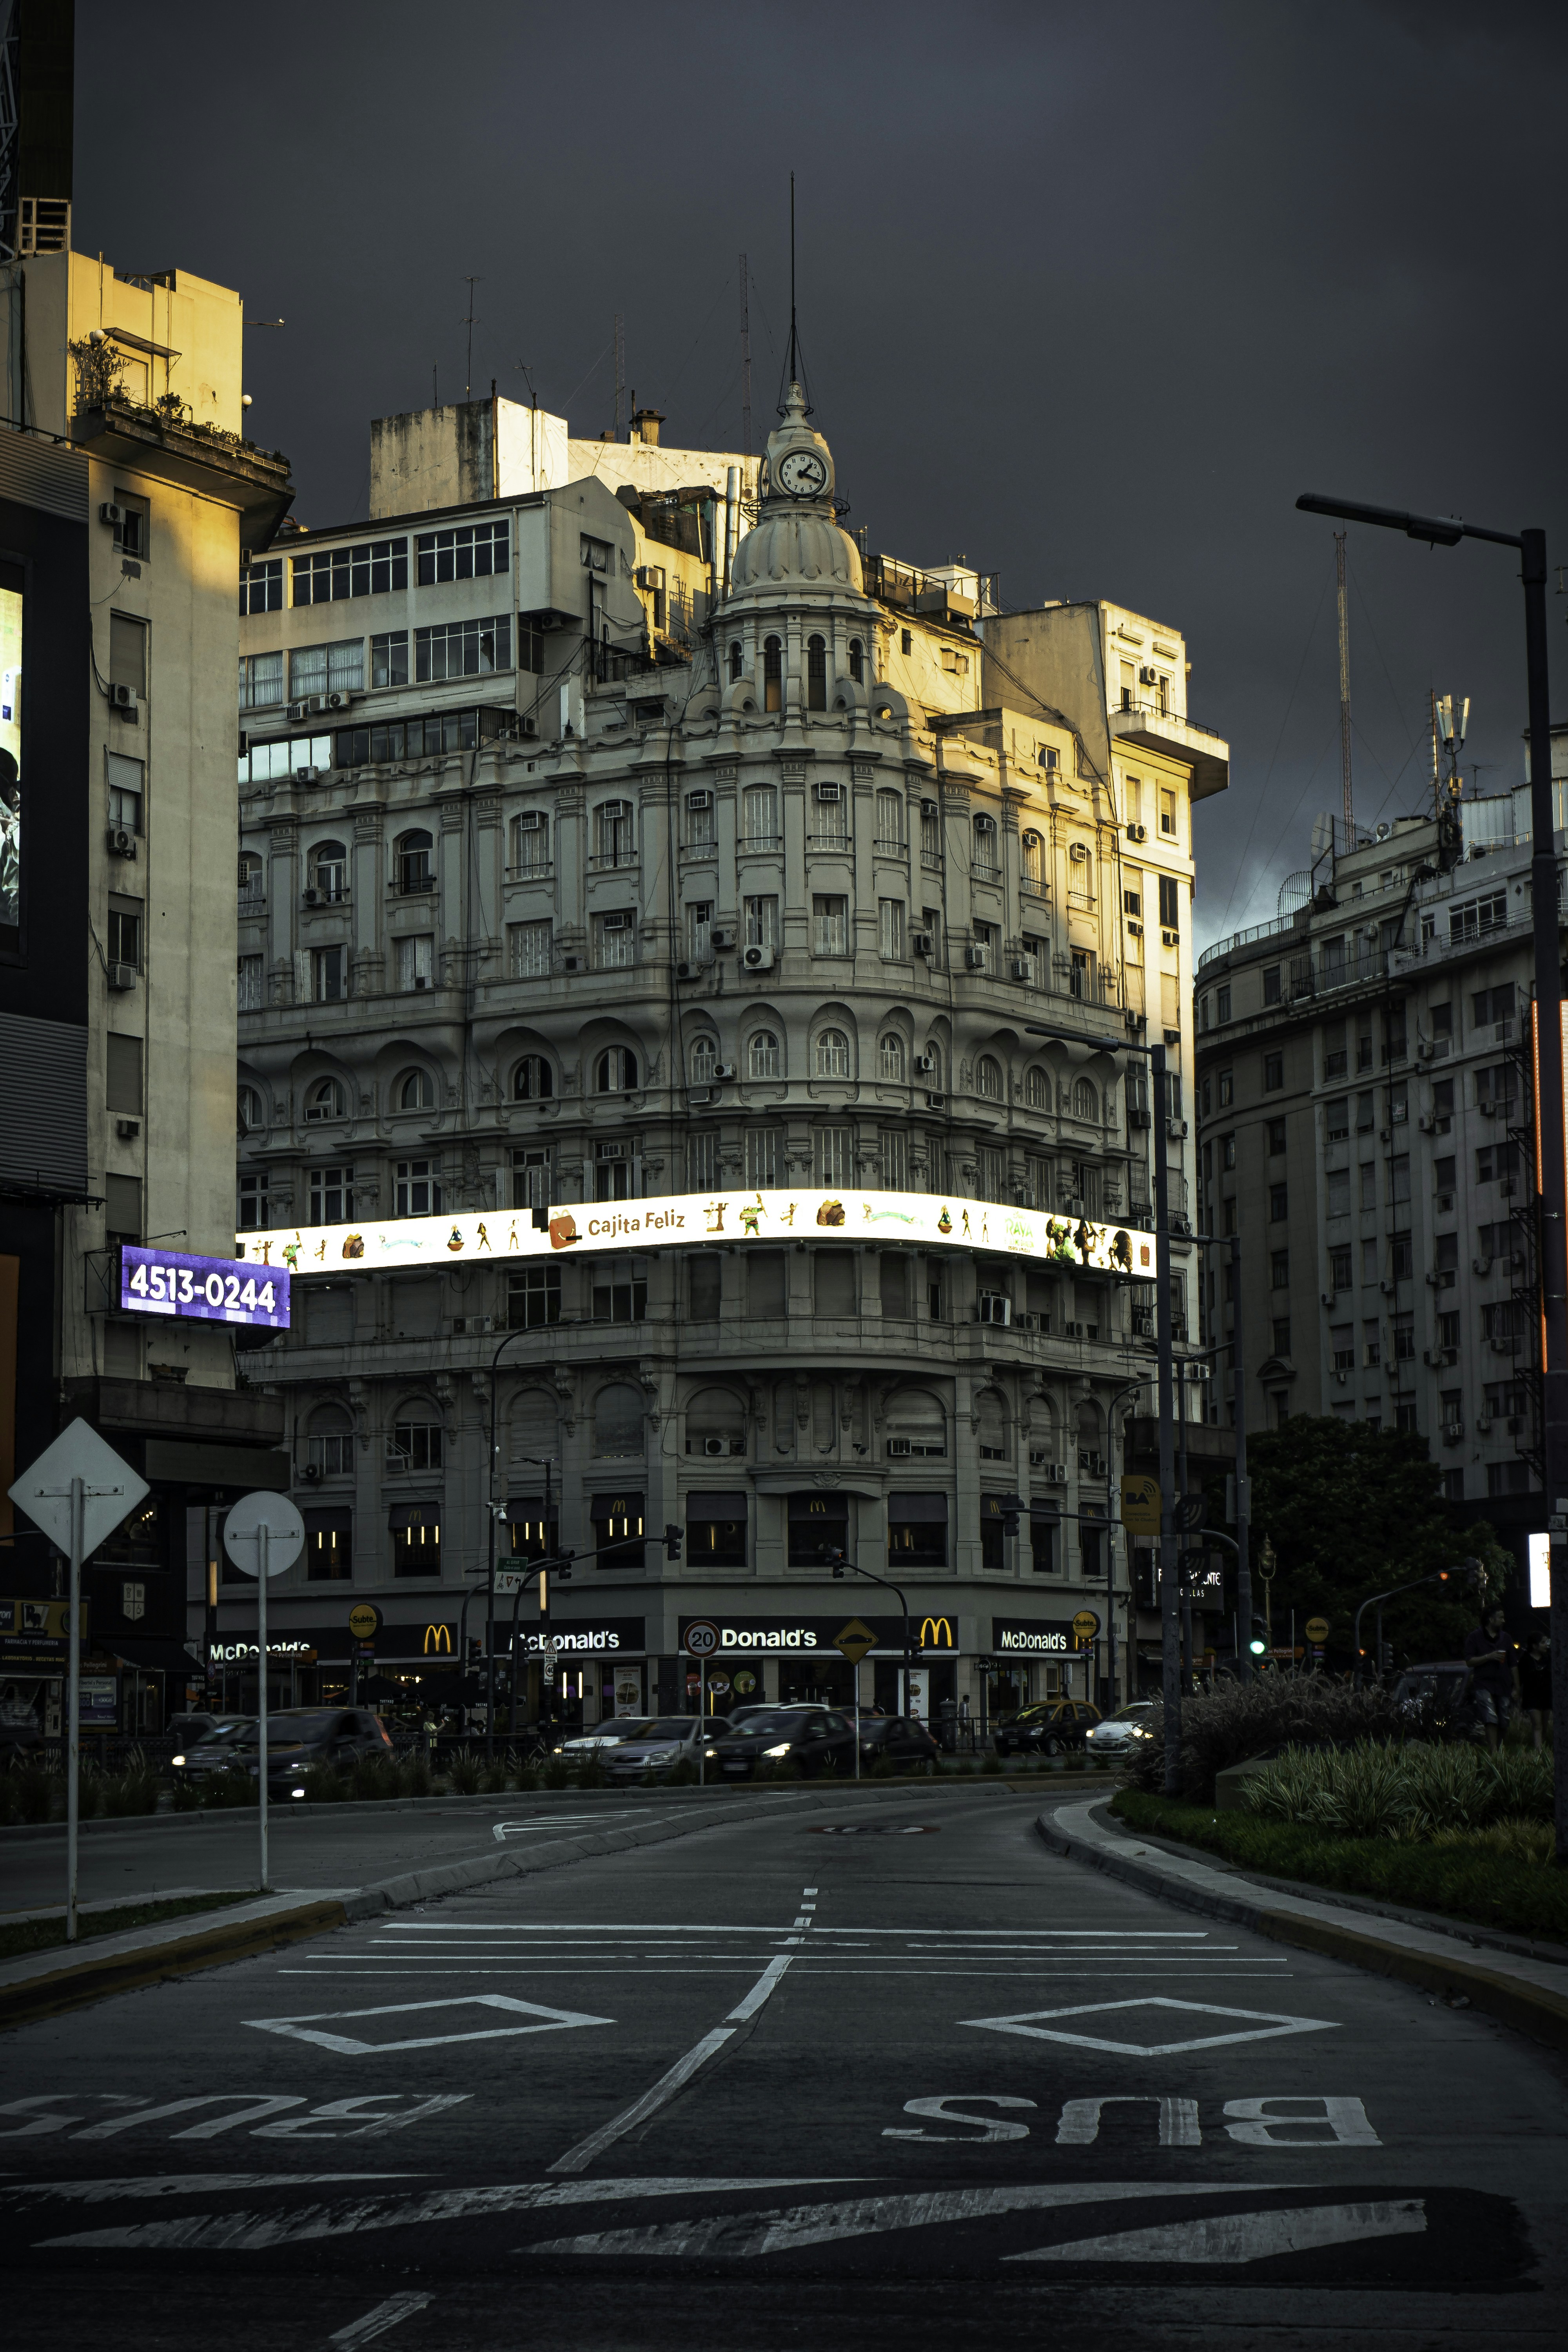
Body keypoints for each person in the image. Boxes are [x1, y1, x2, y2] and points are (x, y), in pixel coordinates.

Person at [1463, 1606, 1517, 1752]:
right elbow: (1469, 1661)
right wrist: (1488, 1657)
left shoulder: (1506, 1638)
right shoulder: (1474, 1637)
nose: (1503, 1621)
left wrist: (1517, 1687)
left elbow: (1513, 1664)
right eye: (1500, 1618)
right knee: (1490, 1716)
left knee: (1504, 1720)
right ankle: (1493, 1751)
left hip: (1503, 1684)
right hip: (1483, 1684)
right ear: (1490, 1619)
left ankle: (1499, 1748)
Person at [1519, 1630, 1553, 1752]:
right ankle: (1538, 1750)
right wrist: (1517, 1690)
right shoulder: (1526, 1660)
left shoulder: (1548, 1659)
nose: (1546, 1645)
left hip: (1547, 1696)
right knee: (1537, 1724)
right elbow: (1521, 1678)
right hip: (1532, 1697)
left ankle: (1542, 1748)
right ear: (1535, 1645)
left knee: (1544, 1725)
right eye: (1543, 1643)